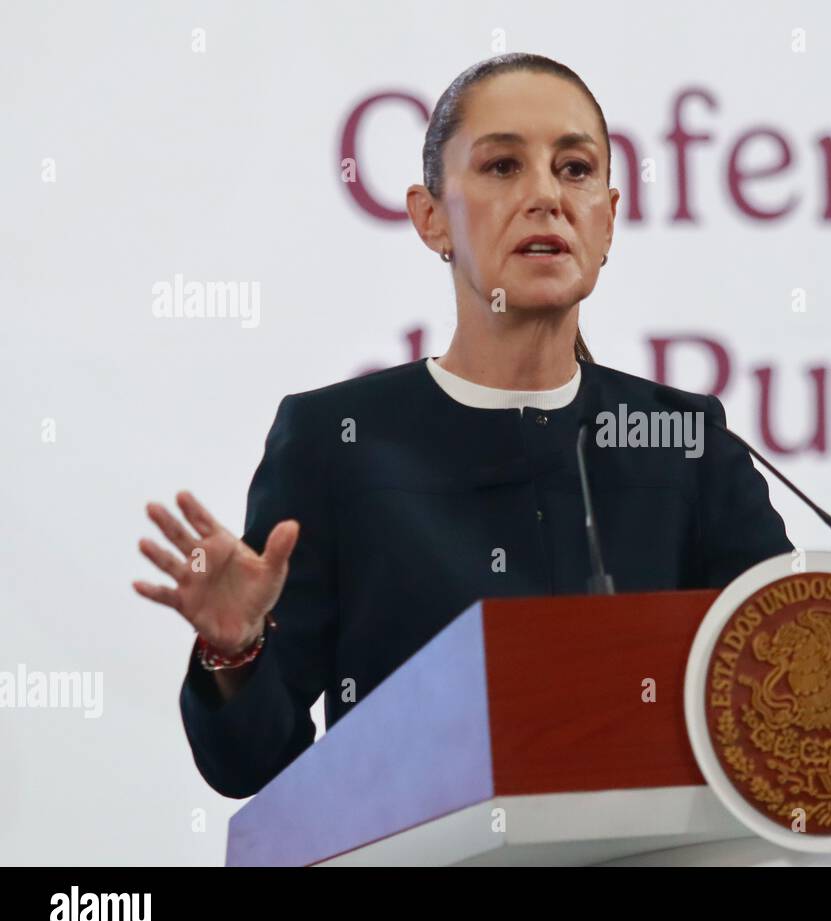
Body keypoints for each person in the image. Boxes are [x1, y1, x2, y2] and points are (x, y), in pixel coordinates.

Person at [132, 53, 793, 799]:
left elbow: (790, 686)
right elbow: (253, 767)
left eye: (574, 169)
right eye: (503, 166)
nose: (546, 196)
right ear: (430, 218)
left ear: (608, 220)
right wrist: (237, 651)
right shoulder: (334, 442)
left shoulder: (684, 443)